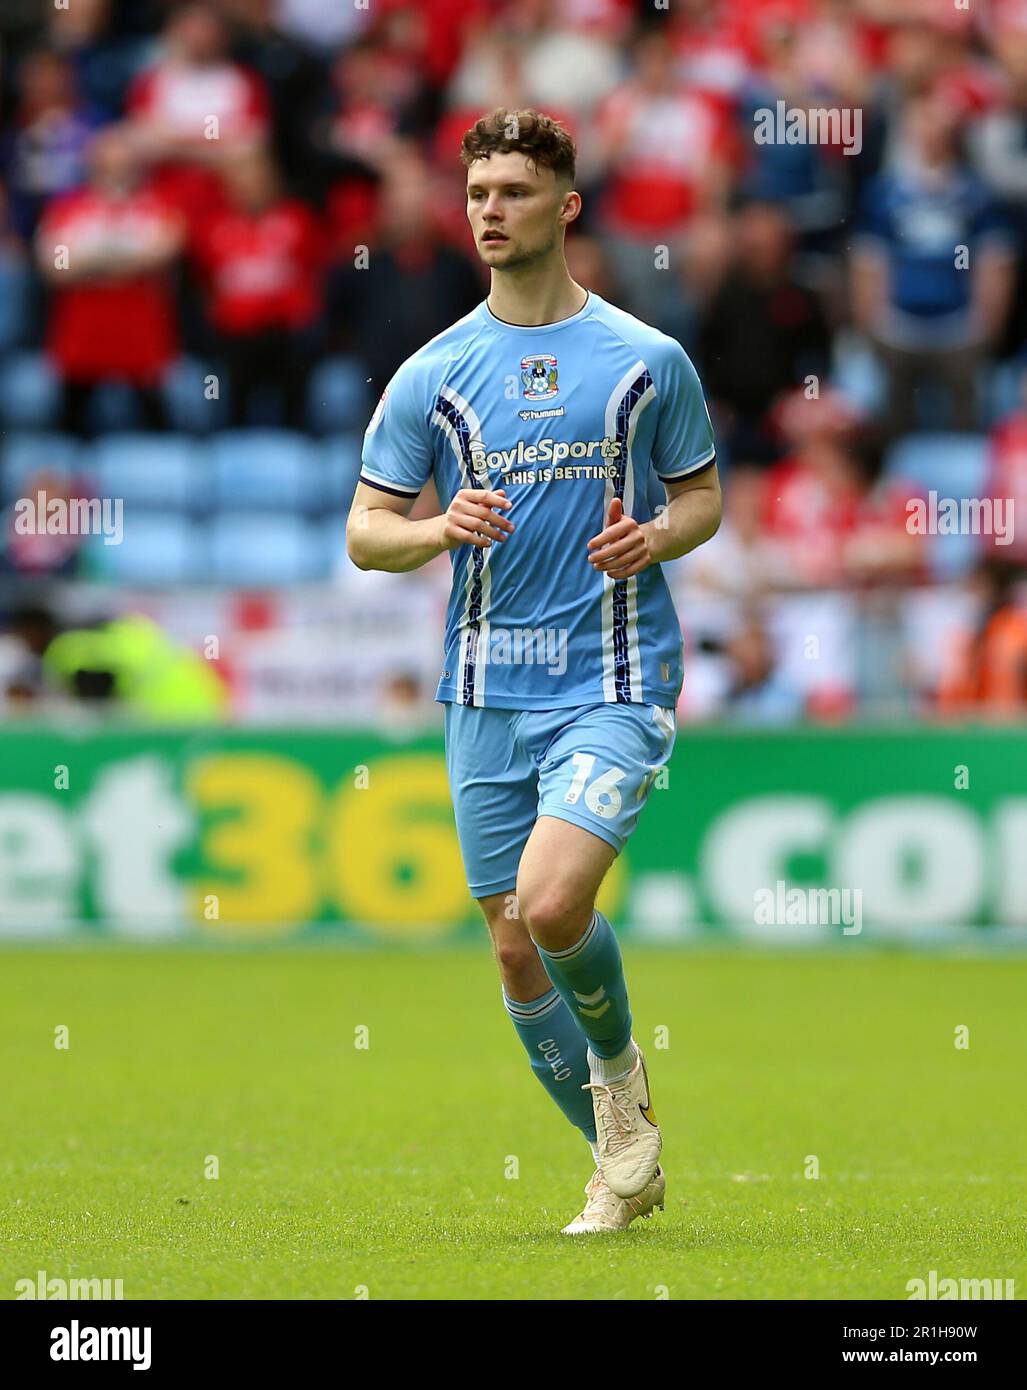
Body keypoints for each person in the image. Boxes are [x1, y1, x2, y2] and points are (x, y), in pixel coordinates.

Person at [345, 108, 721, 1235]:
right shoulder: (434, 371)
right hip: (483, 690)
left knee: (554, 903)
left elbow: (701, 497)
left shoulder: (648, 361)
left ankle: (618, 1091)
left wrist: (656, 534)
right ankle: (621, 1151)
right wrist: (437, 528)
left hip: (613, 676)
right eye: (475, 195)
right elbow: (367, 531)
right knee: (513, 947)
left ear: (566, 206)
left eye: (512, 191)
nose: (489, 212)